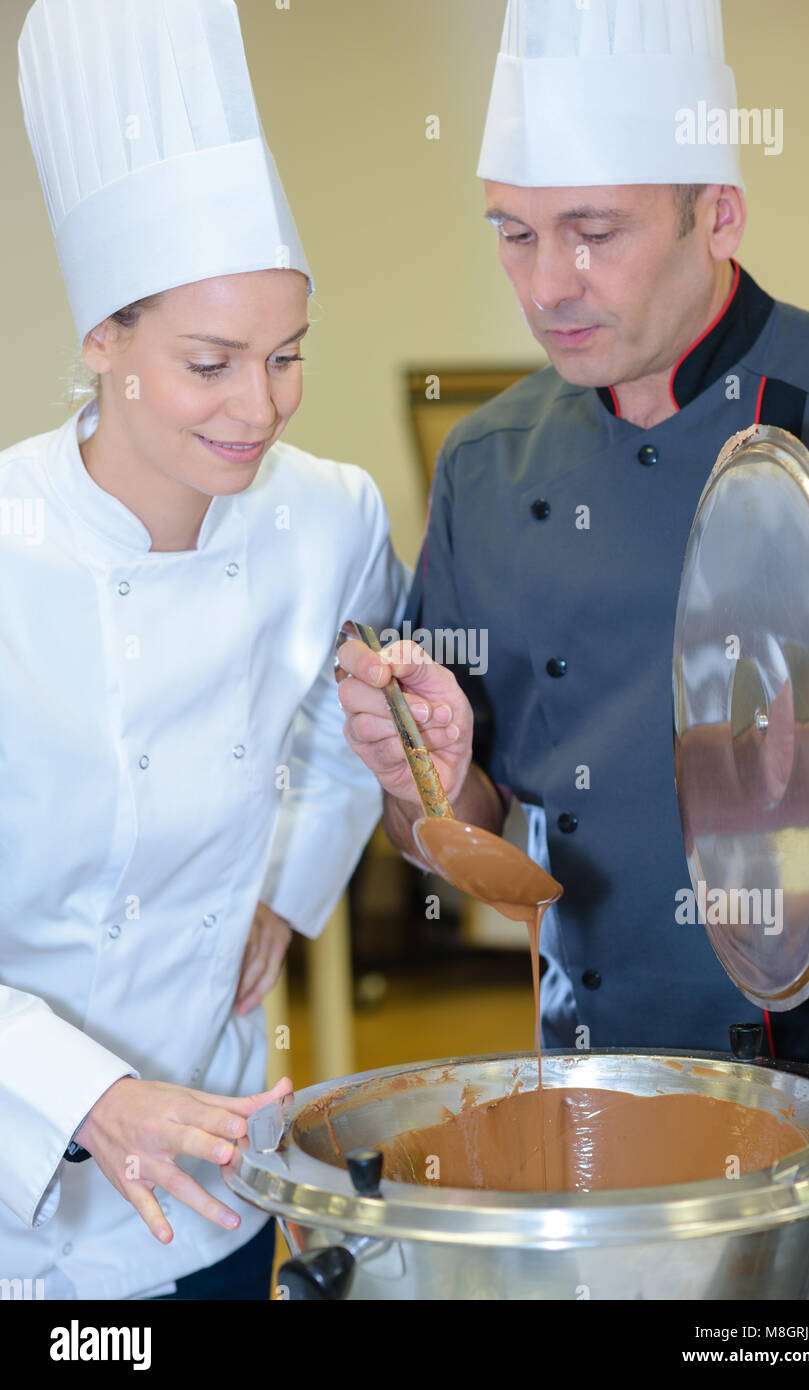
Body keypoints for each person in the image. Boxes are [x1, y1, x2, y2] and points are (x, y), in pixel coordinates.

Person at [338, 0, 809, 1076]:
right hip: (601, 1081)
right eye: (515, 234)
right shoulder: (485, 467)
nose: (545, 288)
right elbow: (461, 823)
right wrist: (423, 781)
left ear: (718, 213)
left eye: (595, 233)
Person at [1, 0, 405, 1300]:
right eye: (208, 362)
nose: (259, 408)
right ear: (101, 343)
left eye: (286, 358)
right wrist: (87, 1095)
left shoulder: (327, 512)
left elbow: (353, 727)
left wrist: (285, 891)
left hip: (224, 1153)